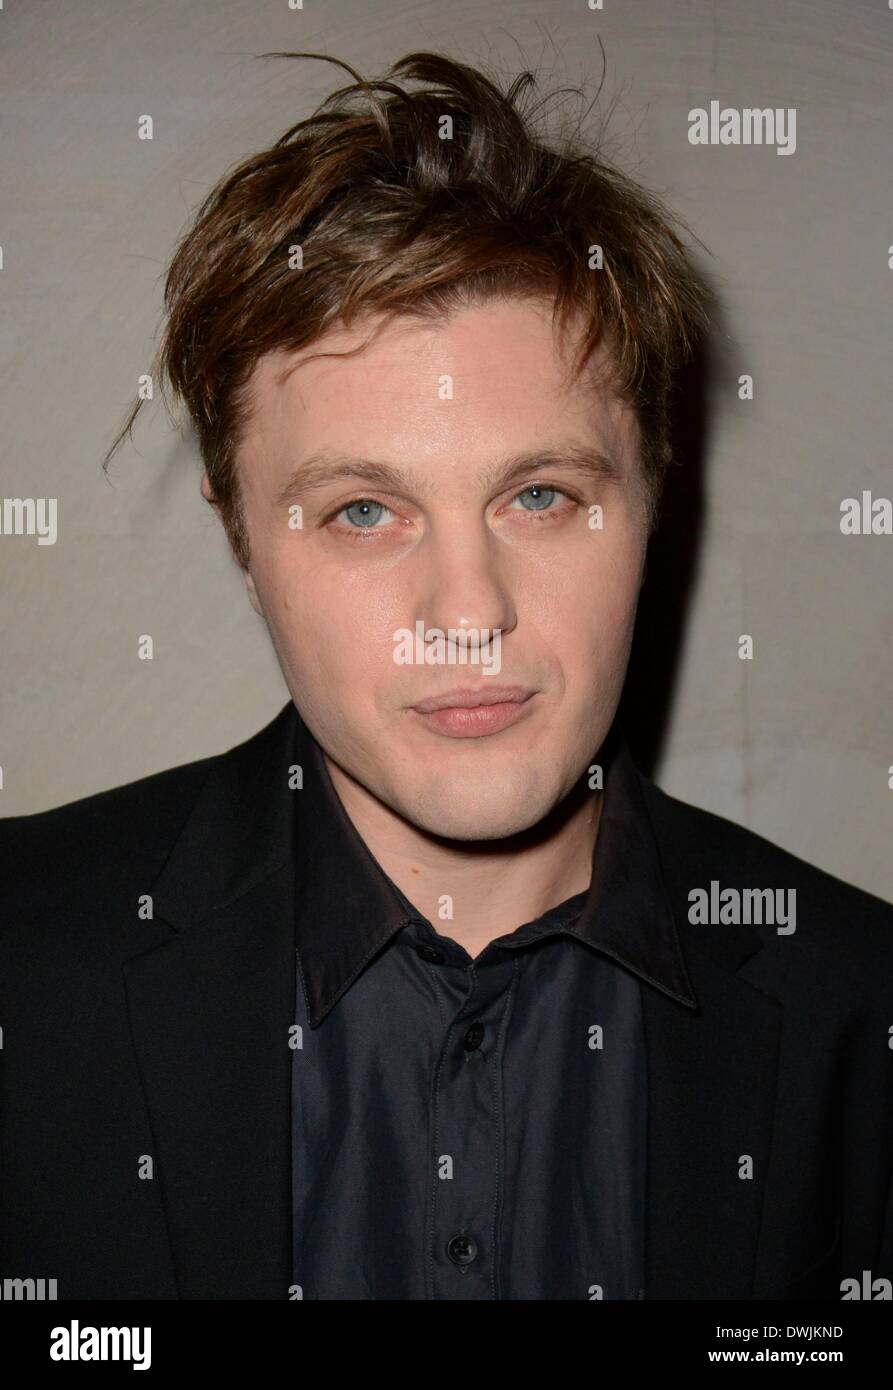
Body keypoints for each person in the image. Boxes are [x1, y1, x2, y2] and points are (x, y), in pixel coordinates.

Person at [2, 50, 891, 1302]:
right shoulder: (24, 966)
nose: (466, 613)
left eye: (540, 495)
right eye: (363, 511)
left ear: (651, 505)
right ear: (242, 541)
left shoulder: (862, 1011)